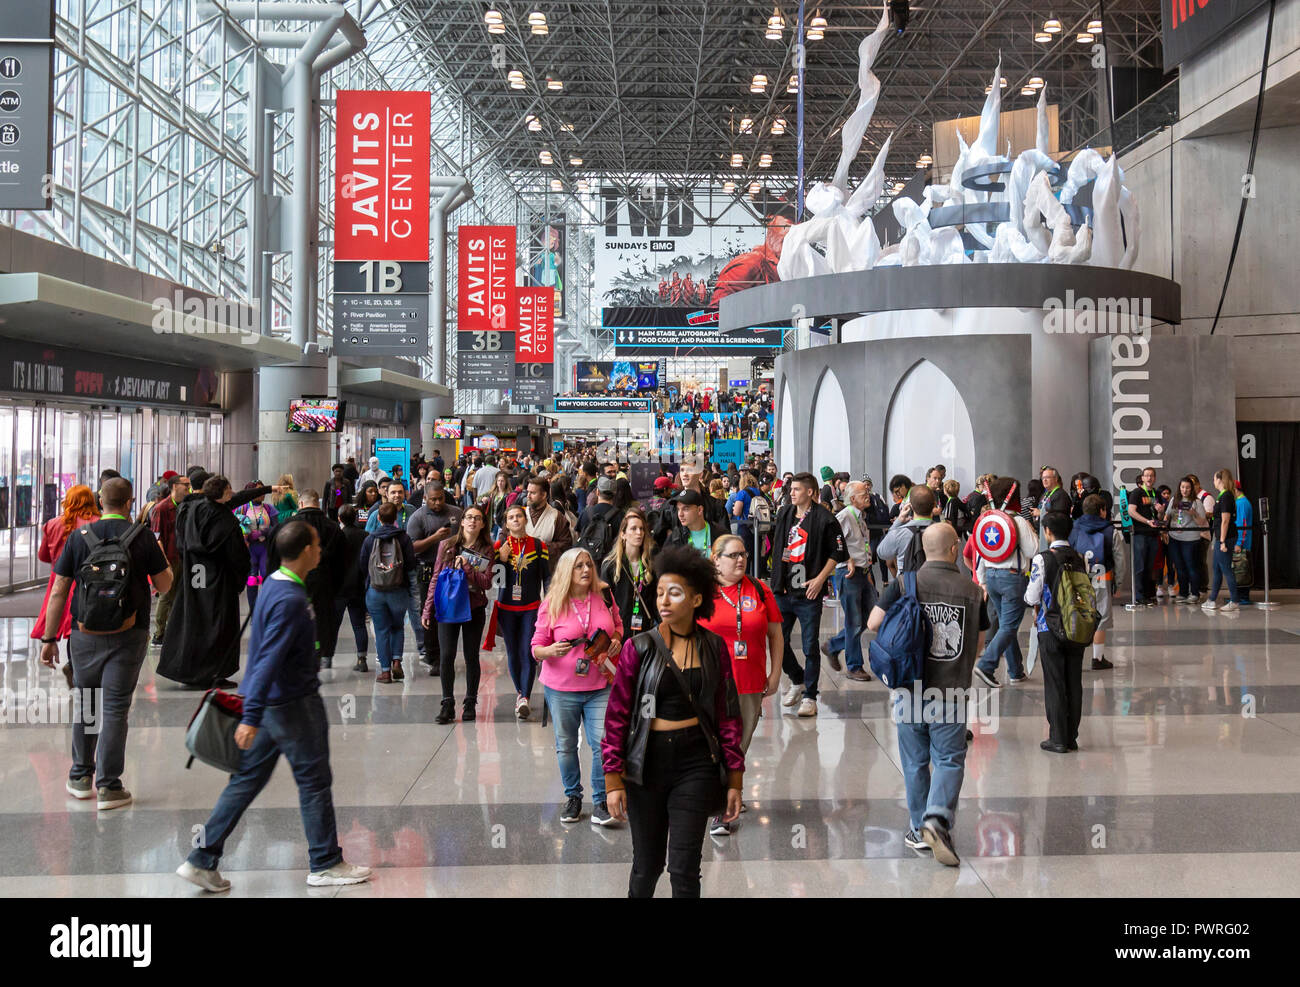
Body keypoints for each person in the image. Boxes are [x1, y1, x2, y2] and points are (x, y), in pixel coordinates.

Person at [176, 521, 371, 893]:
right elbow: (268, 658)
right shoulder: (291, 600)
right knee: (314, 782)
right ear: (304, 551)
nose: (320, 550)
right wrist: (250, 717)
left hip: (269, 703)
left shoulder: (277, 585)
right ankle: (325, 862)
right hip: (291, 705)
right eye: (316, 544)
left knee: (246, 780)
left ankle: (202, 859)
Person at [603, 546, 744, 895]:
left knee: (684, 870)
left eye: (675, 592)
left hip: (696, 764)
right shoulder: (639, 648)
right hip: (646, 766)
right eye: (660, 592)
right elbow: (617, 716)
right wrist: (612, 779)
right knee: (647, 866)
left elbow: (728, 715)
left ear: (696, 600)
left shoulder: (713, 647)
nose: (664, 600)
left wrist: (735, 779)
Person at [39, 477, 172, 810]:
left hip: (84, 635)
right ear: (129, 502)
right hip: (129, 633)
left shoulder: (79, 537)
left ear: (101, 501)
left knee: (87, 702)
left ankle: (81, 777)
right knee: (115, 708)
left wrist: (49, 637)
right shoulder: (141, 536)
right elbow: (166, 584)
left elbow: (58, 590)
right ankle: (110, 787)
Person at [866, 522, 986, 865]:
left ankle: (919, 830)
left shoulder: (905, 582)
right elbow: (978, 646)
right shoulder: (973, 591)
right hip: (950, 691)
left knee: (915, 761)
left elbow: (874, 624)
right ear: (954, 549)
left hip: (909, 688)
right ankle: (937, 817)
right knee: (949, 758)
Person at [531, 547, 624, 826]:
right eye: (578, 566)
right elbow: (536, 646)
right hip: (562, 688)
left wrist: (617, 638)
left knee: (602, 743)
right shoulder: (552, 604)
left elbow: (618, 625)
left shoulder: (605, 596)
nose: (585, 570)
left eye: (588, 565)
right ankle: (573, 796)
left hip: (600, 684)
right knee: (566, 745)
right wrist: (550, 652)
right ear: (566, 572)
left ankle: (600, 801)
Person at [157, 476, 274, 688]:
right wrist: (239, 580)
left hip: (194, 572)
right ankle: (212, 672)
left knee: (192, 619)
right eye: (229, 488)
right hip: (218, 579)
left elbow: (182, 541)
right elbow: (236, 554)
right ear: (223, 492)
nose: (232, 492)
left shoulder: (188, 509)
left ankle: (187, 669)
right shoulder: (223, 519)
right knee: (217, 625)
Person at [699, 534, 781, 835]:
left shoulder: (759, 589)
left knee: (738, 745)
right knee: (717, 744)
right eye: (733, 555)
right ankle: (723, 805)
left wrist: (775, 674)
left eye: (743, 554)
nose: (741, 560)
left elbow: (775, 635)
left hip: (749, 681)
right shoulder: (702, 592)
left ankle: (727, 795)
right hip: (710, 683)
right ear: (716, 560)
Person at [768, 471, 848, 717]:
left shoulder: (825, 518)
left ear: (810, 492)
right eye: (791, 489)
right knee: (776, 641)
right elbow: (779, 544)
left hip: (808, 592)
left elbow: (838, 552)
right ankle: (797, 678)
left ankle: (810, 695)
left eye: (796, 489)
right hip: (783, 588)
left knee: (809, 644)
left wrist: (820, 578)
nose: (791, 493)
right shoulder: (785, 513)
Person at [424, 505, 495, 722]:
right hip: (448, 608)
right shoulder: (447, 545)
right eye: (469, 517)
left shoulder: (487, 549)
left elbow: (486, 582)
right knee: (446, 656)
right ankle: (447, 703)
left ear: (483, 524)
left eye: (477, 518)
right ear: (462, 521)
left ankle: (470, 701)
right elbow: (436, 577)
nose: (473, 521)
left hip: (474, 607)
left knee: (471, 656)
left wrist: (466, 567)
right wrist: (428, 608)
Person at [1025, 513, 1088, 753]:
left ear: (1047, 531)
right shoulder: (1079, 558)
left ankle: (1058, 738)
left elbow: (1031, 596)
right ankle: (1071, 736)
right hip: (1076, 627)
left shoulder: (1043, 559)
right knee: (1074, 681)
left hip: (1049, 627)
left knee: (1054, 682)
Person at [972, 477, 1038, 688]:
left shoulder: (986, 520)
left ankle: (1015, 671)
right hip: (1012, 578)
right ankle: (986, 665)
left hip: (991, 577)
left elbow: (980, 553)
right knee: (1009, 626)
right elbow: (1033, 550)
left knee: (1004, 625)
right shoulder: (1018, 521)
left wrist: (982, 580)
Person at [33, 484, 101, 683]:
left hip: (59, 581)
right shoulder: (97, 523)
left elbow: (43, 556)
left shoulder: (53, 524)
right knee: (79, 626)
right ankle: (76, 666)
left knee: (61, 623)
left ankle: (73, 664)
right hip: (86, 581)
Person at [266, 490, 340, 668]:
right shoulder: (332, 527)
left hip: (292, 581)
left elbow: (273, 554)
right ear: (318, 503)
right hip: (325, 581)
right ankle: (325, 656)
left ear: (300, 504)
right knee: (323, 617)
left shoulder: (286, 526)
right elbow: (341, 559)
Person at [493, 503, 550, 718]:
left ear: (525, 520)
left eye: (519, 516)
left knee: (527, 651)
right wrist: (503, 560)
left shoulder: (538, 545)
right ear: (506, 524)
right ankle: (520, 694)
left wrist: (549, 599)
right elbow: (497, 581)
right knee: (512, 652)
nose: (516, 520)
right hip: (507, 607)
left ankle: (524, 696)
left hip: (531, 607)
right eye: (511, 517)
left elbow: (546, 575)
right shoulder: (500, 545)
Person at [822, 480, 877, 682]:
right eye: (863, 494)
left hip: (863, 572)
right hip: (848, 573)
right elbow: (832, 541)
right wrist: (848, 558)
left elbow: (860, 543)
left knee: (871, 617)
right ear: (853, 498)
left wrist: (868, 569)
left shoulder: (860, 517)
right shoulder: (844, 516)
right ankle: (854, 666)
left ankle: (834, 645)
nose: (867, 496)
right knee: (854, 621)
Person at [406, 481, 462, 676]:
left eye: (440, 499)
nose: (438, 503)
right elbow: (412, 548)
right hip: (428, 570)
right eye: (433, 499)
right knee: (428, 613)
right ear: (425, 499)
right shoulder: (418, 518)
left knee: (450, 613)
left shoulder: (456, 513)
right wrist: (435, 538)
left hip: (453, 571)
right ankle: (433, 655)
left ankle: (446, 655)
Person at [359, 502, 418, 683]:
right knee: (397, 626)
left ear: (378, 518)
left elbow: (362, 565)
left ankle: (385, 671)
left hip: (376, 591)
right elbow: (410, 564)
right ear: (396, 519)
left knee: (381, 629)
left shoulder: (370, 539)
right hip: (398, 590)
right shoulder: (404, 538)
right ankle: (397, 662)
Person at [1070, 494, 1116, 671]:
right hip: (1102, 578)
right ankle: (1097, 658)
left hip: (1079, 578)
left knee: (1077, 616)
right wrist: (1117, 582)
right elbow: (1119, 559)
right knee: (1101, 617)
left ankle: (1075, 658)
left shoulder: (1074, 528)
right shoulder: (1111, 530)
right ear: (1102, 511)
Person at [601, 508, 659, 638]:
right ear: (623, 534)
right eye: (633, 529)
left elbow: (655, 600)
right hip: (619, 634)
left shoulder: (650, 564)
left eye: (642, 529)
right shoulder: (611, 566)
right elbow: (604, 605)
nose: (639, 533)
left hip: (645, 632)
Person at [147, 474, 189, 645]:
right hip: (169, 558)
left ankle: (174, 630)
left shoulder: (186, 506)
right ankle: (160, 633)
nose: (188, 488)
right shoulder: (161, 509)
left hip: (184, 557)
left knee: (180, 595)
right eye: (184, 485)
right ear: (174, 486)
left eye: (189, 485)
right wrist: (164, 563)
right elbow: (157, 538)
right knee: (166, 595)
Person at [331, 505, 370, 672]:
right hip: (358, 587)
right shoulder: (364, 536)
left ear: (339, 518)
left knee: (333, 625)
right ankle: (362, 659)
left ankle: (326, 658)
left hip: (339, 588)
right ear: (355, 517)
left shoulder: (335, 536)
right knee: (359, 625)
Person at [1163, 478, 1207, 605]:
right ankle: (1183, 593)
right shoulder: (1174, 499)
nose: (1185, 490)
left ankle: (1194, 593)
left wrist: (1192, 513)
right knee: (1179, 567)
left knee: (1191, 566)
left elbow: (1202, 522)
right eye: (1182, 487)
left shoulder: (1196, 502)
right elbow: (1168, 515)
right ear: (1179, 487)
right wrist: (1163, 524)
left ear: (1192, 488)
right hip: (1175, 538)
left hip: (1191, 539)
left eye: (1187, 487)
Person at [235, 482, 278, 611]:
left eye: (263, 490)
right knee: (252, 579)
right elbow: (234, 526)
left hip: (264, 547)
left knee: (266, 577)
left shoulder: (269, 509)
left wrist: (264, 532)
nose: (262, 494)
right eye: (258, 490)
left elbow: (276, 528)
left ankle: (266, 610)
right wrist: (245, 534)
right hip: (249, 548)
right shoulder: (242, 509)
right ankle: (253, 612)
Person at [877, 484, 936, 578]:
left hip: (907, 585)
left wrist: (898, 522)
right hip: (935, 583)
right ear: (934, 505)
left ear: (910, 506)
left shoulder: (900, 532)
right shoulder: (946, 532)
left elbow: (882, 552)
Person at [1202, 469, 1240, 612]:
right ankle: (1212, 600)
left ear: (1220, 479)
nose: (1213, 481)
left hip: (1226, 538)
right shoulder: (1222, 495)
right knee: (1217, 569)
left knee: (1226, 569)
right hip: (1220, 537)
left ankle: (1235, 600)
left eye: (1214, 479)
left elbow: (1225, 521)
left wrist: (1222, 541)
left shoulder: (1226, 497)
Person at [1126, 466, 1161, 605]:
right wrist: (1147, 521)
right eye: (1146, 475)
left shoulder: (1156, 494)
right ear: (1142, 478)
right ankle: (1139, 596)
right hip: (1140, 533)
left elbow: (1159, 516)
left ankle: (1149, 594)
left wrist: (1161, 511)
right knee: (1139, 566)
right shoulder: (1137, 492)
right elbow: (1131, 511)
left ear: (1155, 478)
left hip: (1153, 534)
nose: (1149, 478)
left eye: (1152, 475)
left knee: (1150, 566)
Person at [666, 488, 726, 554]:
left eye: (685, 509)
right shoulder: (675, 538)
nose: (680, 514)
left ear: (700, 510)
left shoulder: (720, 534)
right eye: (678, 509)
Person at [524, 475, 573, 555]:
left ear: (543, 495)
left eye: (532, 493)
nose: (528, 496)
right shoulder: (520, 513)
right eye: (528, 492)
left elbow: (566, 544)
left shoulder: (557, 517)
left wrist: (542, 547)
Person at [1234, 483, 1254, 606]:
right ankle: (1238, 596)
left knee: (1242, 570)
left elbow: (1243, 525)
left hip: (1242, 544)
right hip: (1242, 542)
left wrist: (1239, 543)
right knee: (1238, 570)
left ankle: (1243, 597)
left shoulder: (1242, 503)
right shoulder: (1241, 502)